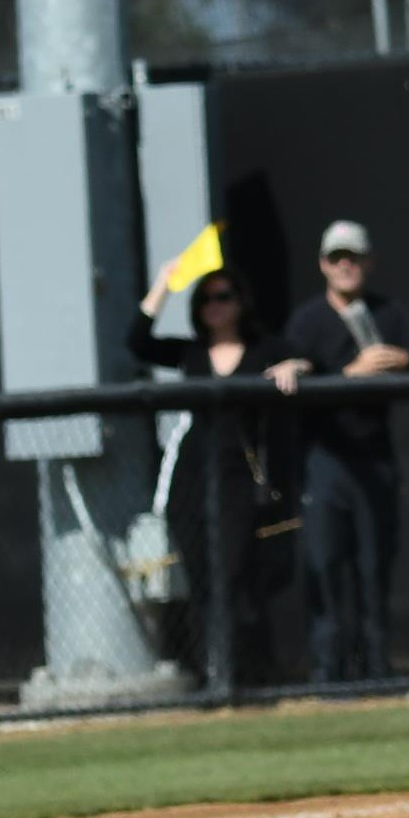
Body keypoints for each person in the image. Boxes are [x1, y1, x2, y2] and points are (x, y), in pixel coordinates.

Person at [282, 220, 409, 683]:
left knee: (374, 565)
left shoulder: (386, 313)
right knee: (325, 564)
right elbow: (289, 364)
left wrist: (403, 359)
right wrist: (348, 373)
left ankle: (377, 670)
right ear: (323, 264)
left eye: (353, 257)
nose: (345, 266)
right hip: (326, 460)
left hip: (374, 459)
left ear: (368, 262)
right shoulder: (309, 320)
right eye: (337, 258)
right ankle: (329, 676)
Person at [127, 263, 307, 684]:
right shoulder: (190, 353)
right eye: (207, 299)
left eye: (224, 296)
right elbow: (137, 342)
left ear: (241, 303)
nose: (215, 306)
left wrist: (295, 367)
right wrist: (163, 286)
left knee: (235, 576)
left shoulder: (263, 349)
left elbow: (307, 358)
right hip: (191, 479)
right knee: (203, 583)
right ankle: (215, 675)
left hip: (237, 479)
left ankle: (249, 672)